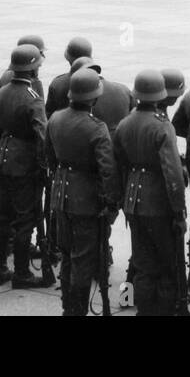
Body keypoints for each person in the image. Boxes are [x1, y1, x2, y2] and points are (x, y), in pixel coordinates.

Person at [46, 67, 120, 316]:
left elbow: (48, 157)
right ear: (94, 98)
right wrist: (112, 205)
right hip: (85, 199)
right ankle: (77, 310)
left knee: (67, 255)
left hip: (62, 195)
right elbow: (107, 170)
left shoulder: (55, 118)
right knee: (83, 259)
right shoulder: (96, 127)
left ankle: (69, 307)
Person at [113, 69, 185, 316]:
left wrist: (122, 199)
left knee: (142, 263)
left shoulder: (124, 123)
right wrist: (179, 211)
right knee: (166, 265)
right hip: (158, 203)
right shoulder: (162, 126)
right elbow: (173, 174)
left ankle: (138, 307)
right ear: (159, 96)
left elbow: (118, 164)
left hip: (132, 199)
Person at [0, 43, 49, 288]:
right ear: (33, 70)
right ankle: (22, 273)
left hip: (2, 159)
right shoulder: (32, 99)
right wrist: (44, 167)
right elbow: (42, 137)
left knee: (2, 217)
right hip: (24, 163)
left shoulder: (1, 92)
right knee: (25, 219)